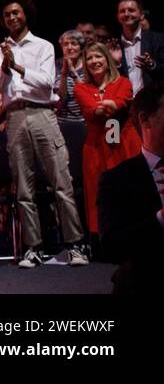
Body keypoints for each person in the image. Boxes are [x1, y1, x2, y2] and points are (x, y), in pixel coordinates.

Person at [0, 0, 89, 268]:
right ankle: (33, 247)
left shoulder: (43, 46)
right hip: (15, 116)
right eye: (7, 14)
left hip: (43, 114)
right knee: (23, 186)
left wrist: (18, 67)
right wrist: (5, 68)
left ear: (25, 14)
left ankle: (75, 245)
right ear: (2, 19)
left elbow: (46, 82)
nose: (12, 17)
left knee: (61, 181)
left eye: (16, 12)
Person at [97, 81, 164, 294]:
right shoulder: (117, 180)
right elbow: (112, 249)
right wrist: (161, 218)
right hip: (147, 281)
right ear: (145, 119)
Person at [74, 42, 141, 237]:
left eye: (98, 56)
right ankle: (104, 236)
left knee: (129, 190)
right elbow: (92, 109)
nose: (94, 61)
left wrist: (109, 105)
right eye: (89, 58)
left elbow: (120, 102)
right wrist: (106, 105)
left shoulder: (124, 83)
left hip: (124, 144)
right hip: (96, 147)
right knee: (99, 192)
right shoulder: (81, 88)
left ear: (107, 59)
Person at [54, 29, 88, 216]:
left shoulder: (90, 65)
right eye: (65, 44)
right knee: (68, 177)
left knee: (85, 176)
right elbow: (60, 100)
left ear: (81, 47)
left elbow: (87, 96)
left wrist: (74, 72)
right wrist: (65, 74)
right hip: (63, 126)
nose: (69, 47)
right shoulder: (57, 66)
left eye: (73, 43)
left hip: (85, 125)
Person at [116, 0, 164, 95]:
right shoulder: (113, 44)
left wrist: (152, 65)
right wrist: (116, 63)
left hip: (153, 102)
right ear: (118, 17)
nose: (126, 14)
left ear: (141, 15)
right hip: (124, 103)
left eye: (131, 10)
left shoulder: (158, 39)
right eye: (122, 11)